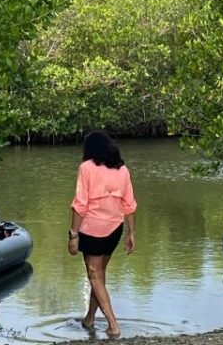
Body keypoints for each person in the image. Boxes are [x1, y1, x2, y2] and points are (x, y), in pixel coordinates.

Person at [68, 130, 137, 337]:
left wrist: (73, 235)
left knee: (94, 274)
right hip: (115, 228)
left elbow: (80, 205)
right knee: (98, 274)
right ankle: (89, 319)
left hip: (92, 229)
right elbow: (129, 204)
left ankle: (113, 325)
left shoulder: (86, 168)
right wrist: (131, 233)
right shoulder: (122, 169)